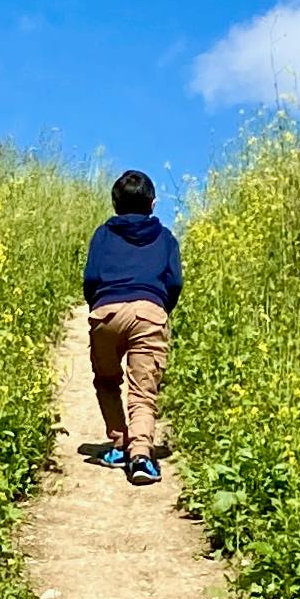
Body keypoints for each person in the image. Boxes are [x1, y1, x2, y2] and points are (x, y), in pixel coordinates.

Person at [81, 169, 182, 487]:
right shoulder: (165, 238)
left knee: (107, 380)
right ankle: (141, 456)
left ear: (115, 205)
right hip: (149, 313)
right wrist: (160, 307)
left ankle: (119, 443)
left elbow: (91, 278)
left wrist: (98, 307)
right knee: (143, 392)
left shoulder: (103, 234)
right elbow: (174, 281)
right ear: (153, 204)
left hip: (106, 313)